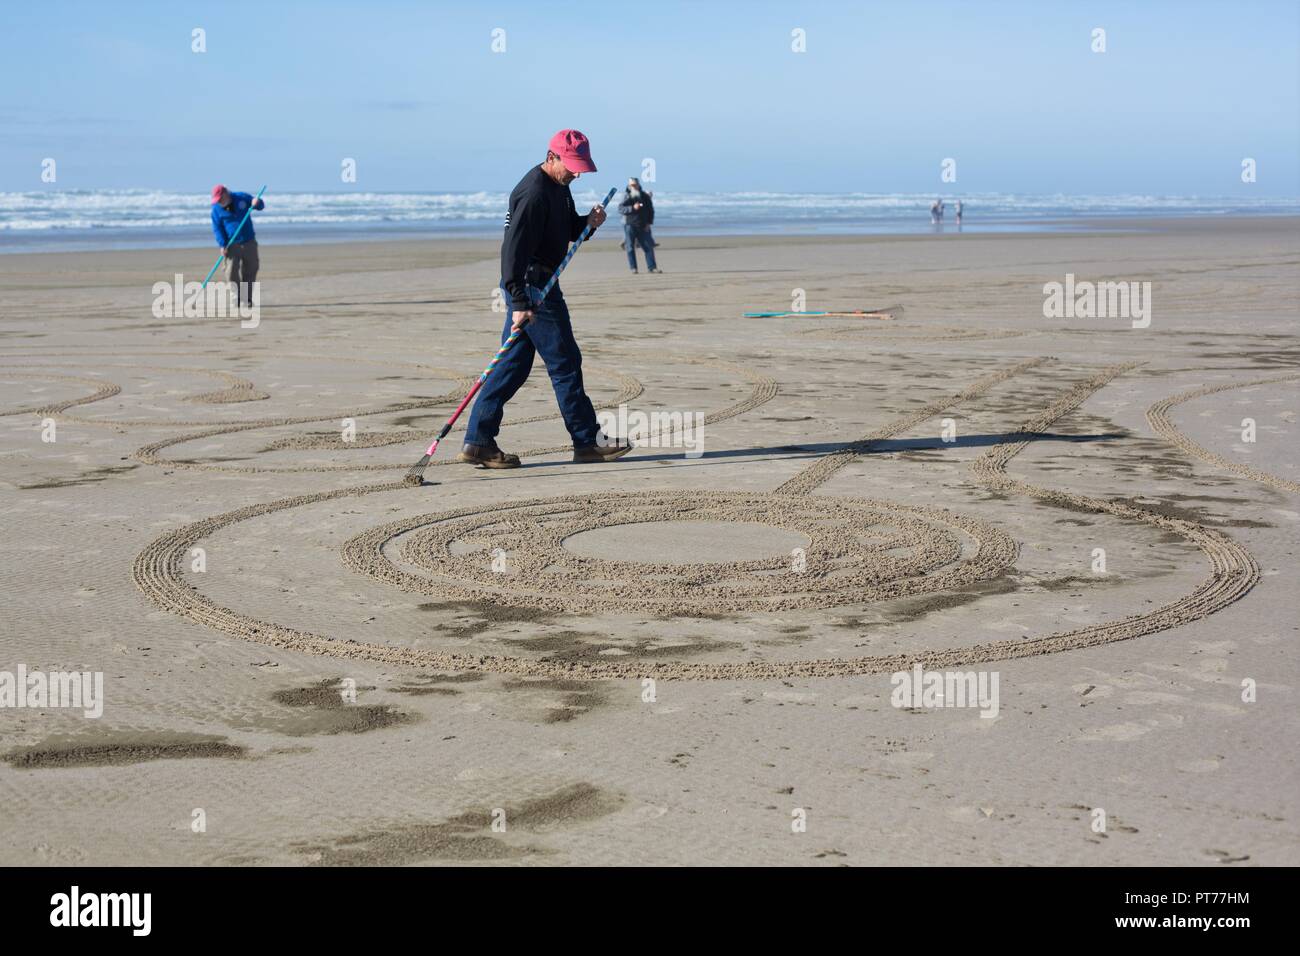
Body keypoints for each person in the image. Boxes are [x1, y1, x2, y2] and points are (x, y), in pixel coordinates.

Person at [459, 129, 633, 469]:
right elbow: (511, 253)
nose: (577, 173)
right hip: (532, 285)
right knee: (565, 361)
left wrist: (589, 223)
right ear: (551, 157)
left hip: (538, 284)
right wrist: (520, 302)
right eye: (571, 165)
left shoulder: (559, 187)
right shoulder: (533, 193)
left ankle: (479, 440)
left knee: (512, 366)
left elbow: (568, 230)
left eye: (580, 167)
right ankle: (587, 441)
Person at [210, 185, 264, 305]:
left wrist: (257, 202)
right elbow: (217, 228)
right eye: (217, 200)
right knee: (230, 272)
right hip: (231, 244)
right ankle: (237, 296)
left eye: (220, 199)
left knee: (251, 269)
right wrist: (222, 244)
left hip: (249, 241)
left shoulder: (241, 197)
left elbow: (260, 206)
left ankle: (246, 298)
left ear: (225, 194)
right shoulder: (216, 210)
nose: (219, 202)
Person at [619, 177, 661, 273]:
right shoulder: (626, 196)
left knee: (648, 246)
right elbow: (620, 209)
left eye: (634, 185)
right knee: (630, 248)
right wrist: (632, 208)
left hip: (643, 225)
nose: (633, 186)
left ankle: (652, 267)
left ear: (638, 185)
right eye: (631, 185)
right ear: (629, 186)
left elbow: (651, 210)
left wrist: (649, 223)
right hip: (629, 225)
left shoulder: (644, 196)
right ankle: (633, 268)